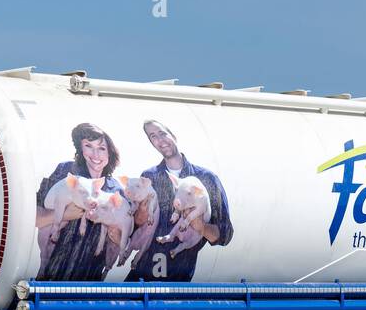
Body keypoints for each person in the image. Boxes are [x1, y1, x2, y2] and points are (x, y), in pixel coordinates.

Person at [125, 120, 233, 282]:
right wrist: (141, 213)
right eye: (153, 137)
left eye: (162, 133)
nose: (160, 140)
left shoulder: (207, 179)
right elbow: (134, 227)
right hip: (142, 275)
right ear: (152, 143)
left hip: (179, 279)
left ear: (173, 136)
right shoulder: (149, 177)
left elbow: (225, 235)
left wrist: (200, 226)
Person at [35, 123, 127, 281]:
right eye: (88, 146)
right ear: (80, 149)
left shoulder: (115, 191)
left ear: (110, 153)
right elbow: (34, 217)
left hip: (90, 284)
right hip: (52, 276)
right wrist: (65, 214)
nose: (96, 154)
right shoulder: (65, 172)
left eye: (102, 148)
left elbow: (122, 238)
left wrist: (116, 233)